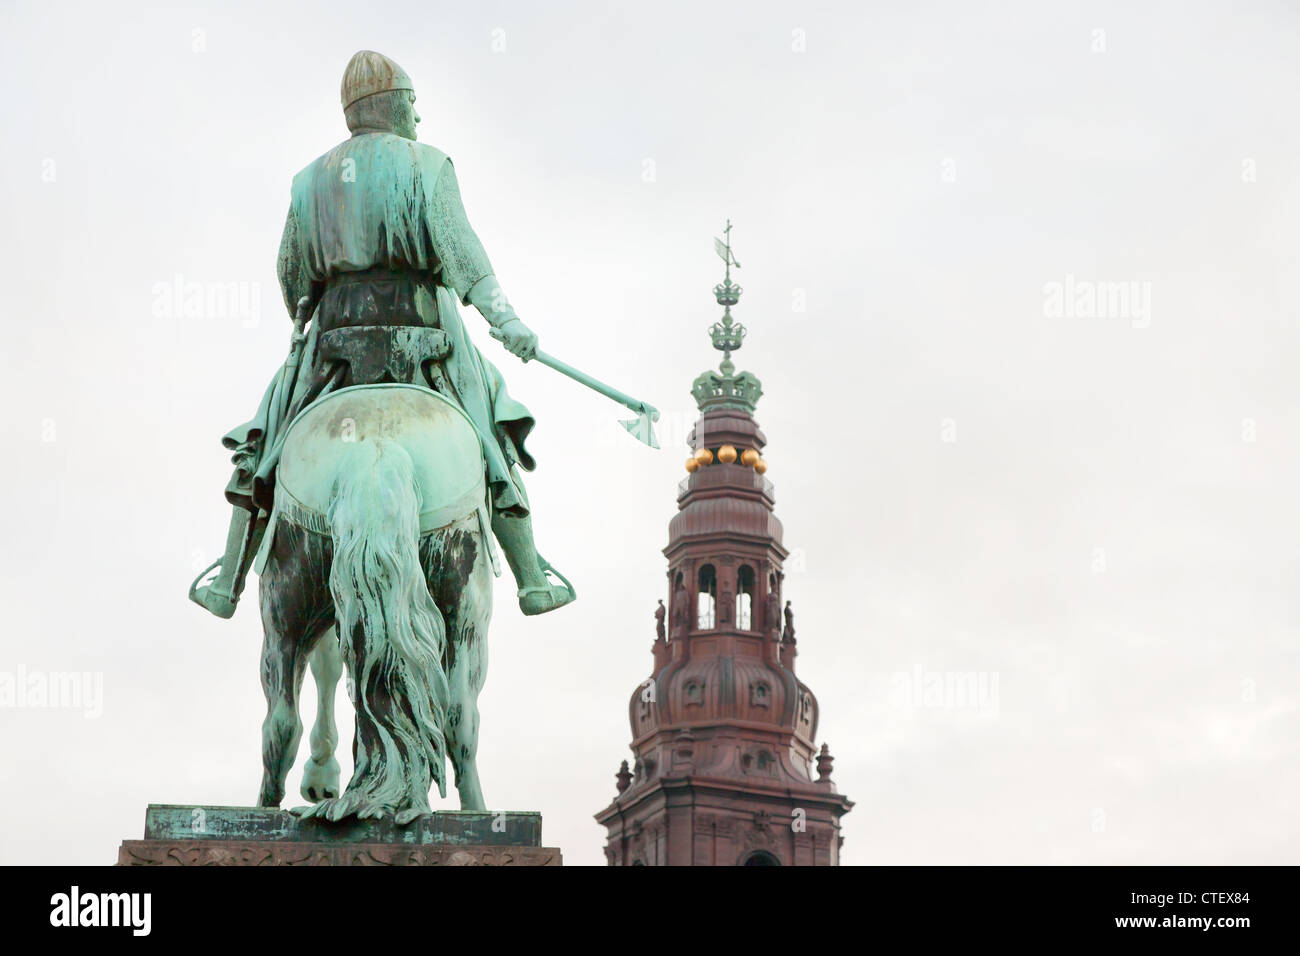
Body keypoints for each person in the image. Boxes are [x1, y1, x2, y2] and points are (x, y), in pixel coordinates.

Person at [190, 50, 574, 619]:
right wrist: (507, 322)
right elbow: (465, 256)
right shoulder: (428, 163)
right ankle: (531, 576)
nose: (418, 118)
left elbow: (290, 275)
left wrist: (305, 315)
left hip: (332, 345)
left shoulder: (307, 181)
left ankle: (228, 579)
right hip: (427, 338)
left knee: (265, 442)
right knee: (491, 425)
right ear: (394, 104)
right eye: (414, 104)